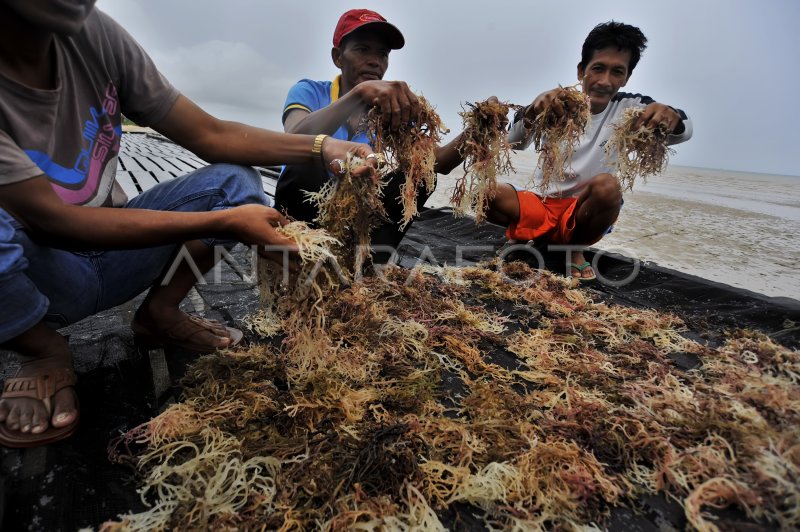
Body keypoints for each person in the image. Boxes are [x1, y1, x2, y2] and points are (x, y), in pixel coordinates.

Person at [0, 0, 376, 447]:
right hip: (38, 279)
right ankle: (41, 349)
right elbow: (51, 221)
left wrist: (321, 148)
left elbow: (210, 135)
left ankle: (159, 311)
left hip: (115, 250)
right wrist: (228, 223)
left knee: (234, 181)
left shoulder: (94, 35)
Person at [487, 21, 693, 280]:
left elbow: (684, 132)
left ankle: (572, 249)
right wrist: (532, 112)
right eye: (598, 69)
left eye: (617, 71)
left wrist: (670, 115)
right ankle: (537, 237)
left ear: (626, 77)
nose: (605, 81)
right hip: (542, 204)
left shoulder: (631, 108)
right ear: (581, 71)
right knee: (487, 194)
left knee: (607, 187)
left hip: (583, 212)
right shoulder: (558, 103)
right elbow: (514, 141)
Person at [276, 8, 482, 260]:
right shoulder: (309, 91)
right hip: (301, 210)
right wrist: (359, 93)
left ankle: (367, 264)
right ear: (338, 57)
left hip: (354, 216)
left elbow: (436, 162)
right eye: (362, 49)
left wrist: (476, 131)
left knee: (420, 177)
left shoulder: (389, 110)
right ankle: (298, 252)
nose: (375, 61)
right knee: (308, 156)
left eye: (383, 54)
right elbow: (293, 137)